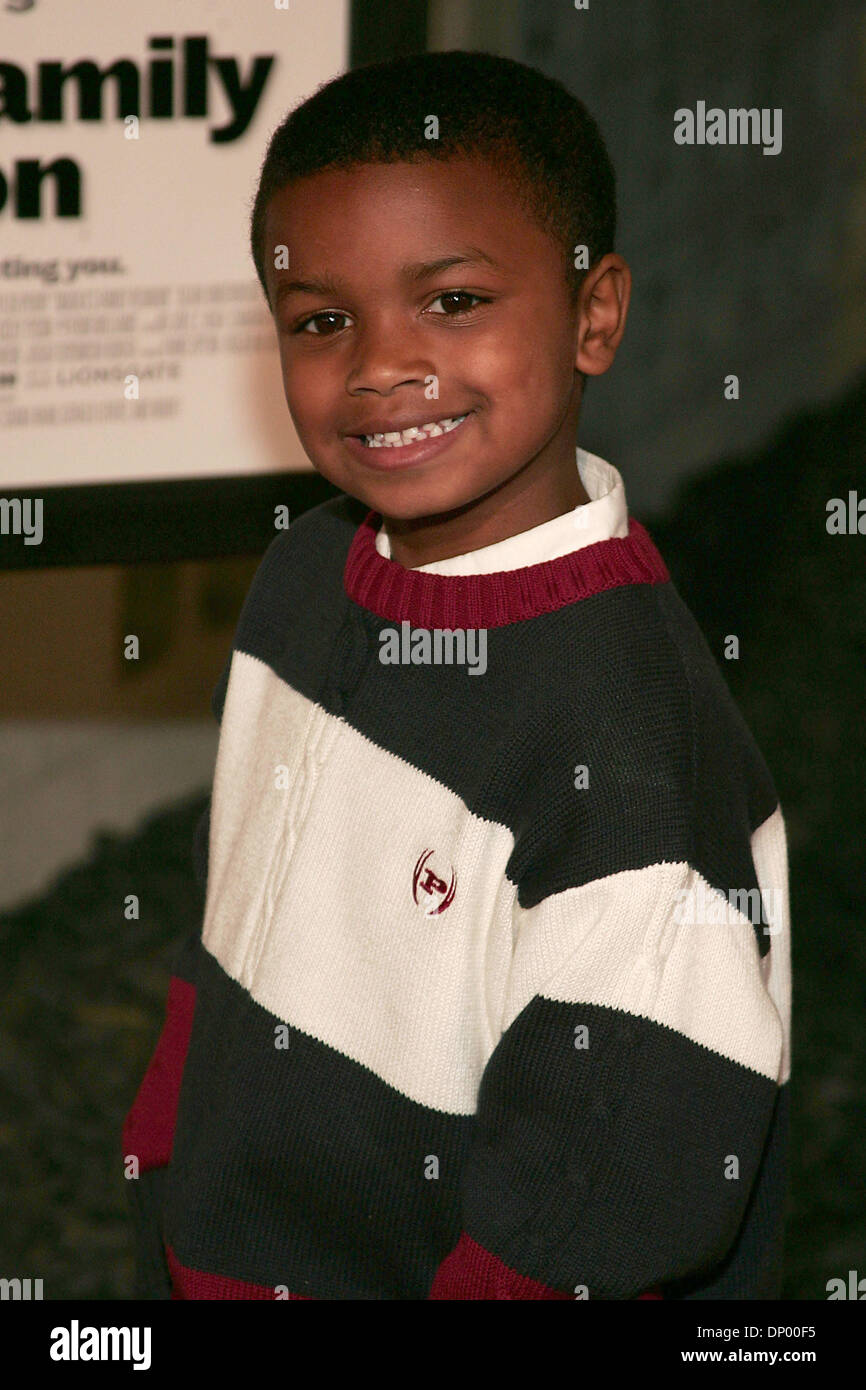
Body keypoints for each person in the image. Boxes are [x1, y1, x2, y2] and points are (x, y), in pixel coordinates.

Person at [122, 50, 791, 1300]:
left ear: (593, 314)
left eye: (454, 301)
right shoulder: (301, 577)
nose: (382, 363)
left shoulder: (634, 758)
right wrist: (167, 1140)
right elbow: (238, 904)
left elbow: (615, 1182)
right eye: (323, 320)